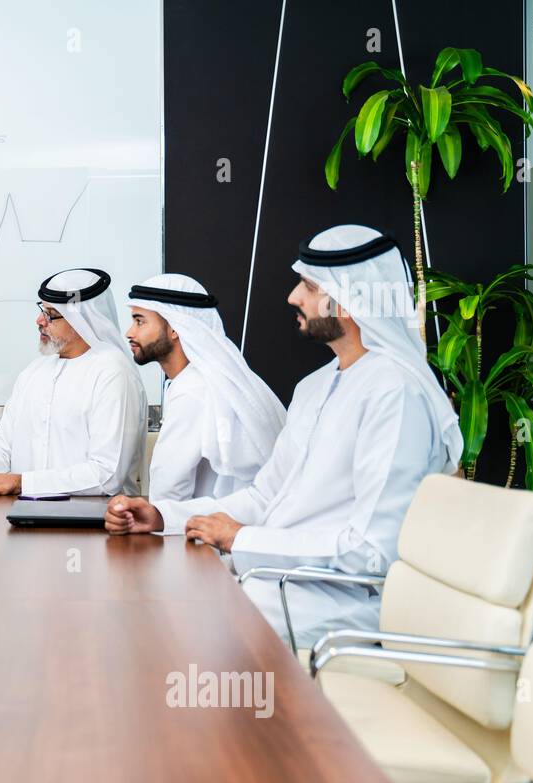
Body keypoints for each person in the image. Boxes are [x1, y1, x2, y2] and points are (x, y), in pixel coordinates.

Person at [106, 226, 461, 648]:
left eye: (308, 286)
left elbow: (370, 552)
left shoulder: (397, 392)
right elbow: (263, 498)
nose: (294, 297)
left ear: (346, 300)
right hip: (273, 581)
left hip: (336, 604)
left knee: (171, 625)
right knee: (140, 608)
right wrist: (164, 517)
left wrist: (242, 539)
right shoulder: (315, 386)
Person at [0, 268, 144, 497]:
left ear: (82, 321)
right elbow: (3, 447)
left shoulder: (113, 372)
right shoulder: (36, 371)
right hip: (28, 515)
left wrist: (22, 483)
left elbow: (107, 474)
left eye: (51, 315)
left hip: (97, 524)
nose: (39, 320)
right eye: (42, 310)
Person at [125, 274, 284, 500]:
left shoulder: (192, 389)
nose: (129, 332)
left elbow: (168, 491)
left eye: (140, 321)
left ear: (175, 328)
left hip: (202, 529)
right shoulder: (200, 380)